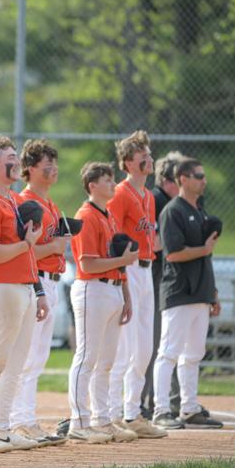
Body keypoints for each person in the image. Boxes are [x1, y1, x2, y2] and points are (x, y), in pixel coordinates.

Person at [0, 136, 48, 453]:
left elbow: (24, 253)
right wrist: (27, 244)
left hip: (24, 288)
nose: (16, 162)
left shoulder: (11, 199)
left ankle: (1, 428)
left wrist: (38, 290)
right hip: (0, 287)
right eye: (10, 157)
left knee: (15, 364)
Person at [66, 162, 138, 444]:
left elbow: (116, 265)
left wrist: (126, 295)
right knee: (87, 357)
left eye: (112, 179)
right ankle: (79, 421)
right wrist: (123, 261)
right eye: (107, 180)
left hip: (112, 289)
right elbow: (87, 263)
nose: (112, 184)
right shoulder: (86, 215)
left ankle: (102, 419)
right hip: (91, 290)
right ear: (92, 185)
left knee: (107, 361)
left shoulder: (108, 216)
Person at [152, 158, 224, 430]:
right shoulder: (173, 211)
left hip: (200, 292)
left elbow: (207, 257)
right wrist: (204, 250)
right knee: (168, 352)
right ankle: (160, 410)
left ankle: (189, 408)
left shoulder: (200, 210)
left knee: (194, 354)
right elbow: (172, 253)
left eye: (203, 175)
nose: (203, 180)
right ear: (182, 179)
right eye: (198, 175)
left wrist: (212, 292)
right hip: (179, 291)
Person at [106, 132, 168, 439]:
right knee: (125, 347)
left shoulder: (148, 197)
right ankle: (115, 413)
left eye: (149, 153)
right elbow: (113, 237)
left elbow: (151, 238)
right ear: (129, 161)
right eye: (142, 154)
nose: (149, 158)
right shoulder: (120, 193)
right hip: (128, 269)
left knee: (144, 347)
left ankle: (133, 413)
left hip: (146, 268)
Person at [10, 139, 69, 446]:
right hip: (35, 281)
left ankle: (27, 418)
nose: (53, 168)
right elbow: (25, 250)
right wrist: (54, 246)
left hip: (53, 281)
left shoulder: (52, 205)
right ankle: (18, 420)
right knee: (27, 355)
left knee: (39, 357)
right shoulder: (25, 201)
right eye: (46, 164)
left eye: (54, 163)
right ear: (29, 169)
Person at [140, 151, 183, 418]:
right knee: (153, 342)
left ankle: (165, 399)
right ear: (169, 180)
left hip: (162, 279)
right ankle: (146, 402)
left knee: (165, 342)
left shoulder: (172, 202)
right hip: (152, 277)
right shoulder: (156, 200)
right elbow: (153, 243)